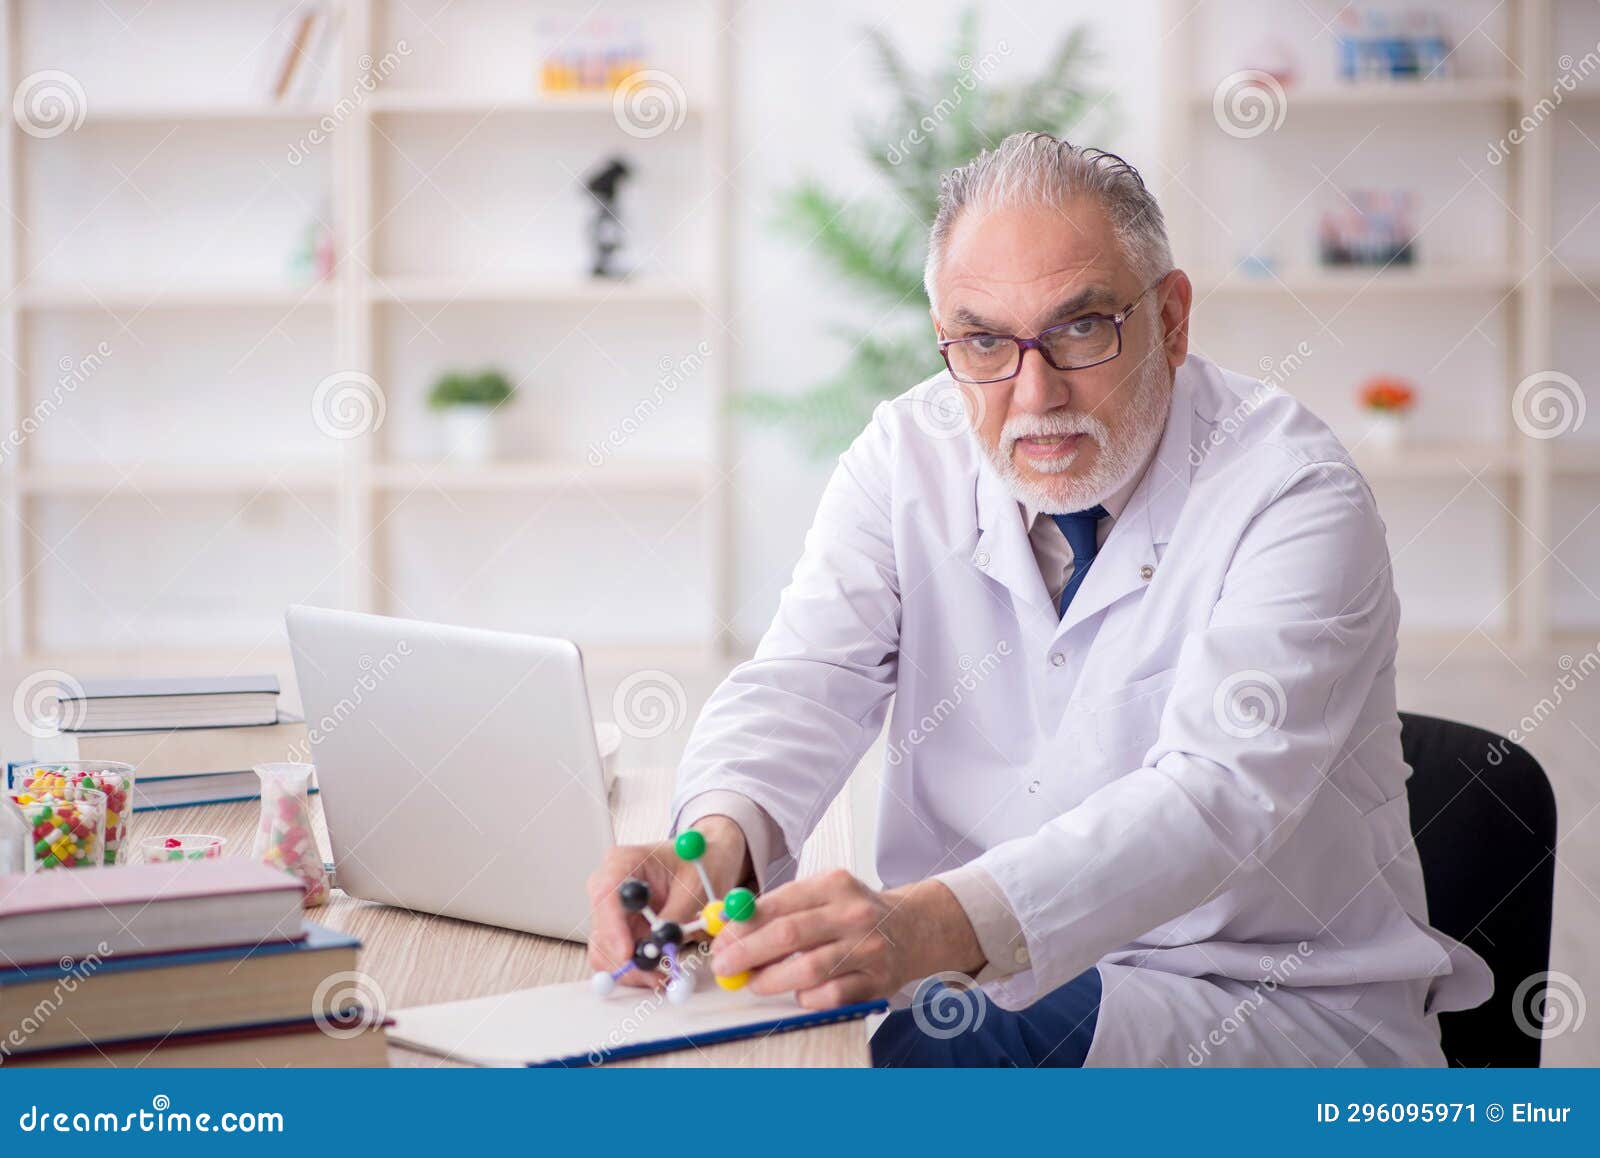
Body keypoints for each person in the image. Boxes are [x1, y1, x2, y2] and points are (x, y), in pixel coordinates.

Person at [586, 132, 1492, 1067]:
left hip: (1256, 1001)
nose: (1034, 392)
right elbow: (804, 679)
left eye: (1081, 328)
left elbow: (1215, 799)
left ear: (1172, 320)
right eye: (983, 341)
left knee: (922, 1057)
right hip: (986, 984)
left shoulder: (1293, 491)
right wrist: (710, 846)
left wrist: (926, 927)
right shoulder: (907, 455)